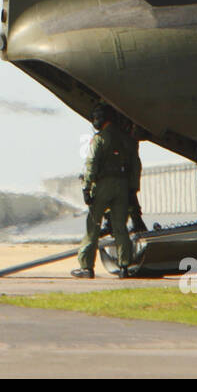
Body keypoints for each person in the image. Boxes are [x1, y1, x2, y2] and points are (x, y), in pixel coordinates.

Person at [72, 104, 134, 278]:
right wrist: (132, 188)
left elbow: (91, 163)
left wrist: (86, 187)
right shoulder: (124, 139)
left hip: (103, 185)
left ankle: (86, 267)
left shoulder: (99, 139)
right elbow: (133, 163)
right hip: (121, 185)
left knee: (93, 226)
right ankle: (124, 267)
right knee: (120, 227)